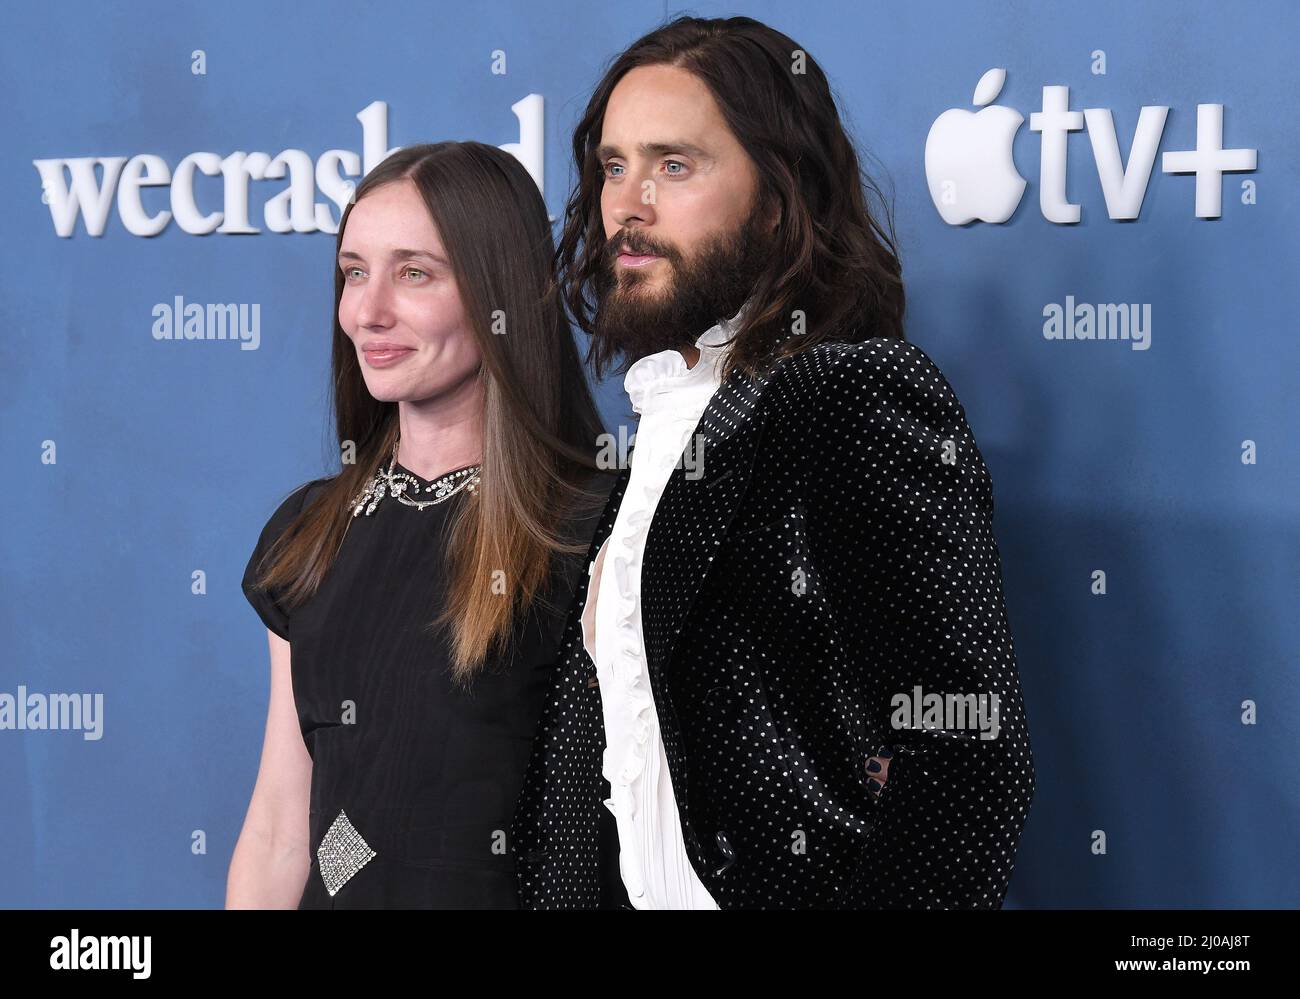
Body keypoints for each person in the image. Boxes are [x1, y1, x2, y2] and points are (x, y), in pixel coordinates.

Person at [511, 15, 1036, 909]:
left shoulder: (850, 397)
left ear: (778, 193)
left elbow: (965, 756)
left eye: (674, 166)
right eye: (612, 165)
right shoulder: (661, 422)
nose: (626, 205)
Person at [226, 141, 611, 909]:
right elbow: (280, 825)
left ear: (498, 290)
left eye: (414, 273)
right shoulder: (309, 531)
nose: (366, 312)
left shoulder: (599, 524)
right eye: (354, 271)